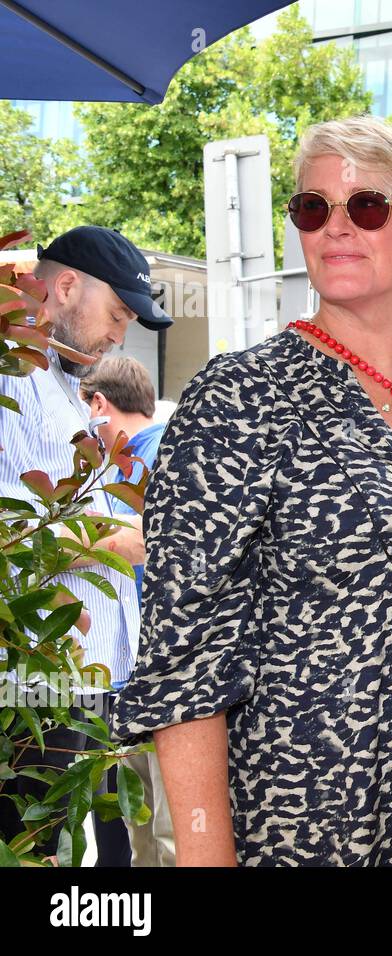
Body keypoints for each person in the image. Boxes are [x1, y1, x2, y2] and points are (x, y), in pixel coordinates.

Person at [110, 115, 392, 866]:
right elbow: (184, 658)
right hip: (305, 830)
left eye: (366, 206)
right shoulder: (238, 398)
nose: (335, 228)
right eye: (312, 208)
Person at [0, 227, 172, 862]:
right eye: (117, 315)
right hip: (32, 688)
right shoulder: (11, 381)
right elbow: (14, 533)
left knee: (98, 858)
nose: (119, 336)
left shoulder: (62, 386)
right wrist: (137, 538)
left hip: (89, 684)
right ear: (66, 286)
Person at [79, 356, 173, 866]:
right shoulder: (118, 464)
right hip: (128, 671)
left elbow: (151, 546)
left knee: (157, 830)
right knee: (131, 828)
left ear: (99, 404)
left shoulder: (154, 455)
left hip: (151, 666)